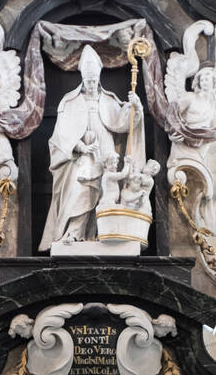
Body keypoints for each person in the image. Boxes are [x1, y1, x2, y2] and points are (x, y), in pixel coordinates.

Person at [39, 44, 145, 250]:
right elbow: (61, 134)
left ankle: (101, 233)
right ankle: (74, 232)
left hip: (105, 151)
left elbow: (124, 123)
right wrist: (79, 147)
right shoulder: (69, 101)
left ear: (98, 79)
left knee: (107, 191)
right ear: (82, 79)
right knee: (80, 190)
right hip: (81, 156)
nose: (90, 84)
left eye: (93, 80)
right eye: (87, 80)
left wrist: (136, 107)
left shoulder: (108, 100)